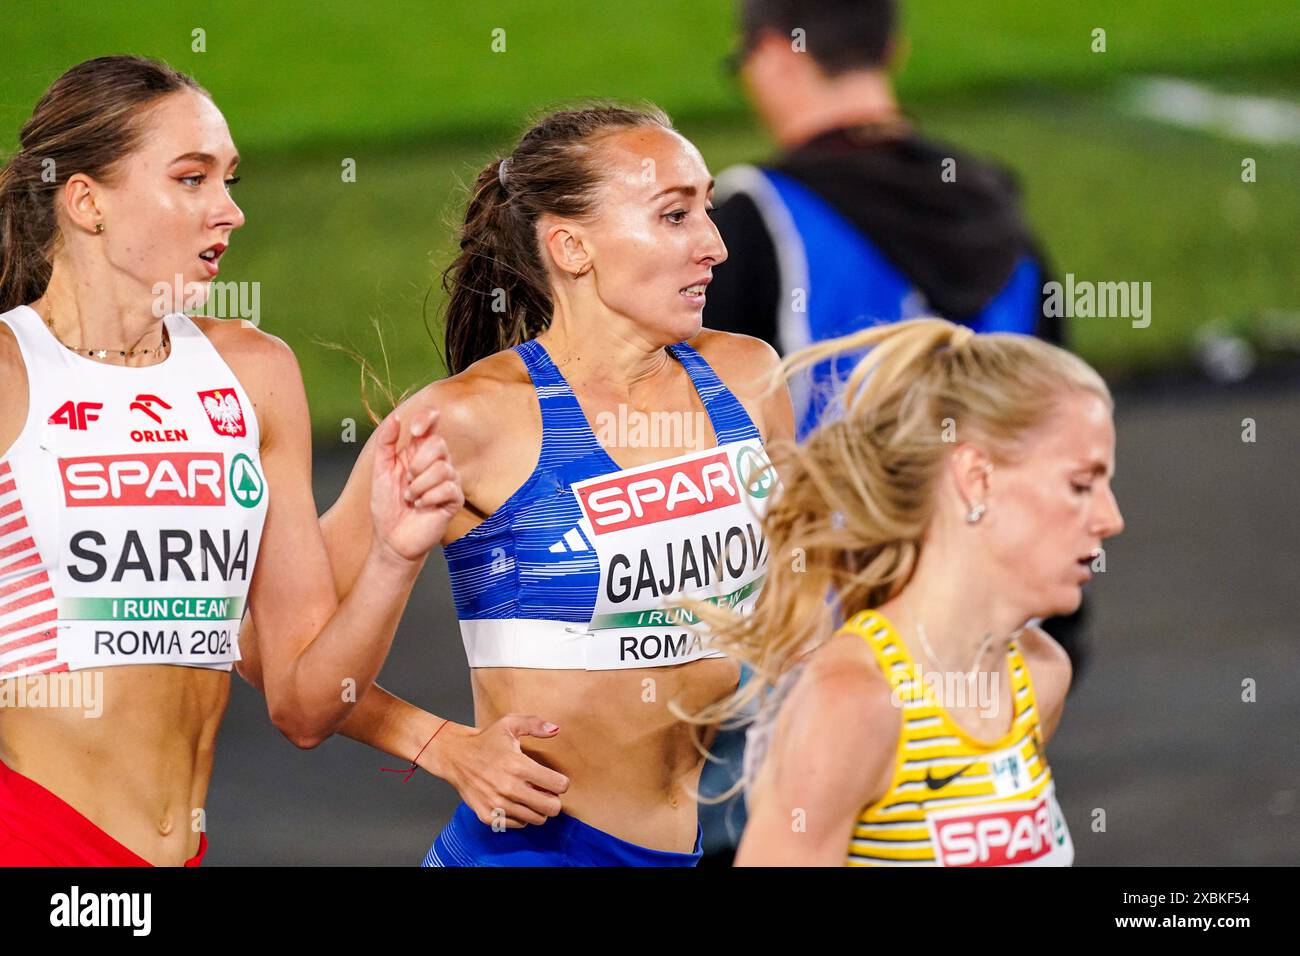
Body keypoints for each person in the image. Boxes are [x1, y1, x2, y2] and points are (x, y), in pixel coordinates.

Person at [240, 102, 795, 865]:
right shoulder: (463, 421)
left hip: (692, 846)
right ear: (570, 247)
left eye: (706, 209)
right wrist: (440, 744)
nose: (716, 246)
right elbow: (287, 680)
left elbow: (808, 584)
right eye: (674, 216)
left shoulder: (750, 378)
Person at [0, 56, 461, 867]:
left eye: (230, 180)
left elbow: (308, 701)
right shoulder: (11, 373)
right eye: (191, 179)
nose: (230, 212)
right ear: (86, 202)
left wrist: (393, 555)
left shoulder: (253, 375)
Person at [691, 318, 1123, 865]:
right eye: (1080, 485)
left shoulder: (1039, 678)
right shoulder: (854, 705)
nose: (1111, 519)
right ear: (976, 478)